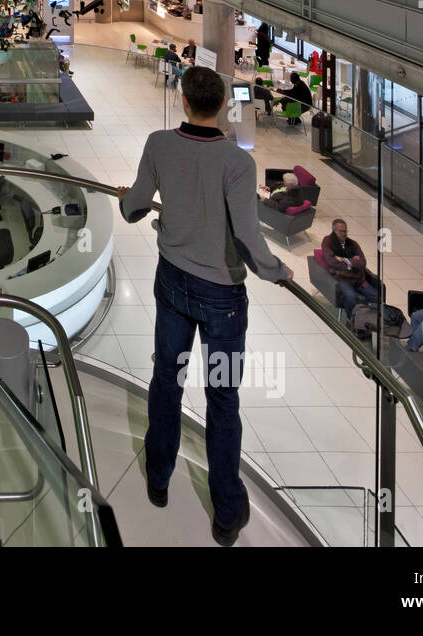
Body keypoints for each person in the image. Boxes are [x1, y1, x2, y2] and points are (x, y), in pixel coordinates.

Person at [117, 66, 292, 547]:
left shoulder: (159, 143)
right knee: (222, 399)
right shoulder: (238, 163)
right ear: (221, 106)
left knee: (166, 380)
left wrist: (127, 204)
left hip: (172, 283)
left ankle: (158, 478)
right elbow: (247, 234)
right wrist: (275, 270)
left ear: (183, 97)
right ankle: (226, 512)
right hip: (223, 299)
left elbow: (134, 206)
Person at [320, 218, 381, 316]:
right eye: (341, 231)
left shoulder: (353, 244)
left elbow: (362, 262)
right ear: (334, 231)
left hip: (358, 278)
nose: (344, 233)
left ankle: (370, 319)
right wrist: (353, 261)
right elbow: (332, 262)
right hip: (342, 278)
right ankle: (352, 321)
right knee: (351, 297)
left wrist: (345, 260)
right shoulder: (328, 241)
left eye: (345, 231)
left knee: (376, 296)